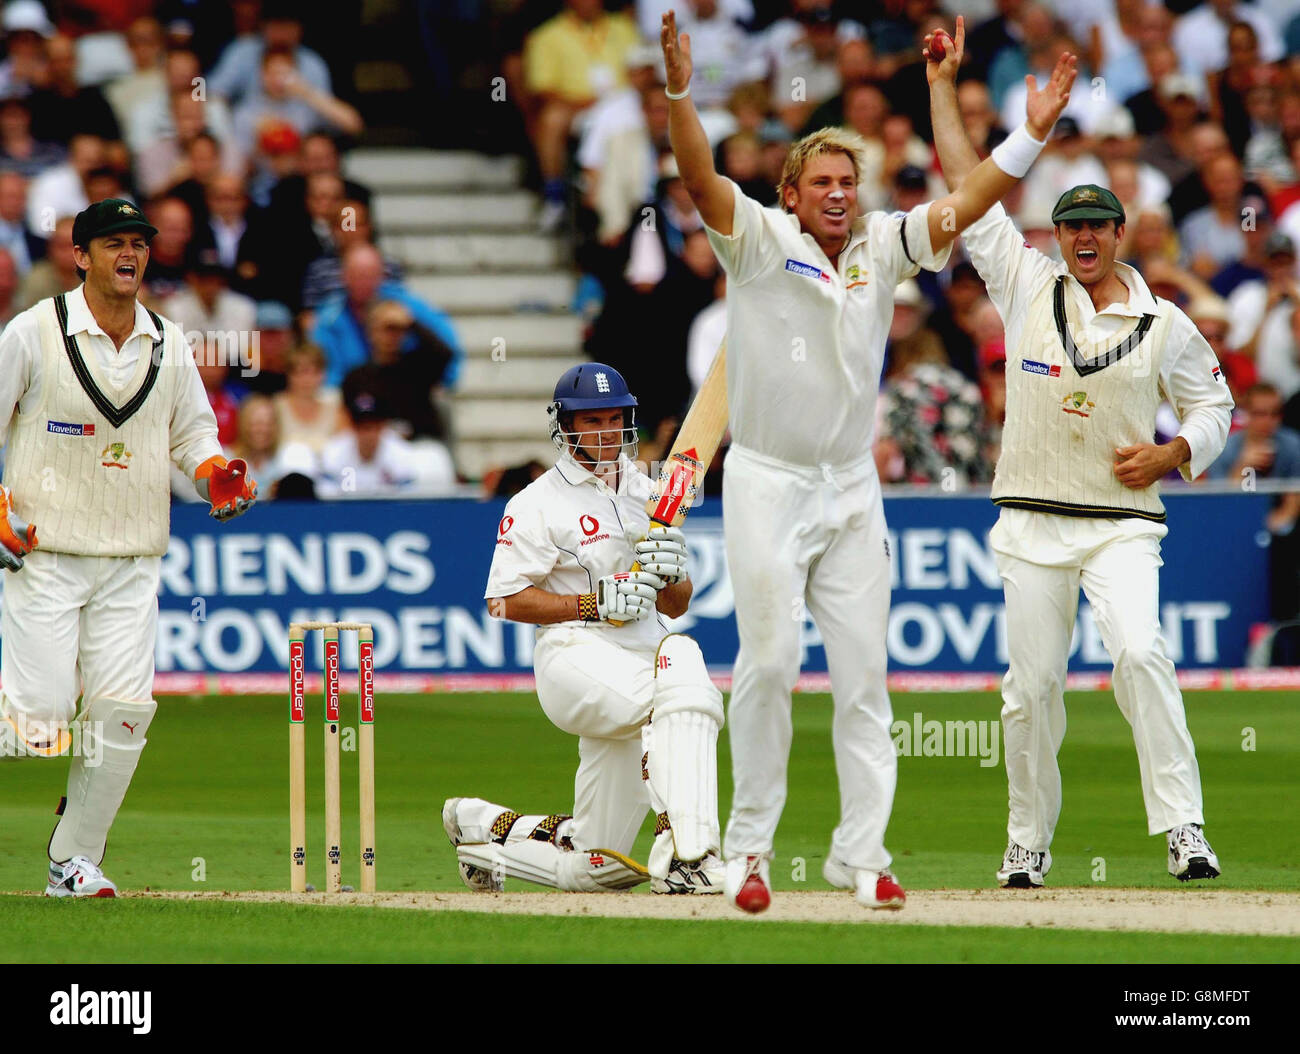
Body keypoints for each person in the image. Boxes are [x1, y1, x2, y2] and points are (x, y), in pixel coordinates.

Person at [660, 10, 1075, 913]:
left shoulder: (885, 245)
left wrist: (1031, 134)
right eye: (823, 181)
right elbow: (698, 177)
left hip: (852, 486)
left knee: (865, 678)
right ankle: (751, 853)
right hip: (766, 481)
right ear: (793, 192)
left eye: (850, 178)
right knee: (768, 664)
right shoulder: (760, 244)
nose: (841, 192)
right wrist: (683, 93)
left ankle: (865, 855)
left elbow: (968, 205)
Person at [928, 28, 1235, 888]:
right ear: (1059, 236)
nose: (1086, 239)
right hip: (1029, 521)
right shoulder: (1024, 284)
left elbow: (1217, 407)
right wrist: (944, 87)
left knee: (1142, 653)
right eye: (1073, 227)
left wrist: (1174, 450)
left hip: (1122, 526)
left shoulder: (1162, 321)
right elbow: (967, 185)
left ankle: (1185, 830)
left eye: (1099, 225)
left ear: (1120, 231)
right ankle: (1028, 842)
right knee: (1028, 694)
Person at [0, 198, 257, 897]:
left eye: (138, 243)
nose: (130, 253)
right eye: (113, 242)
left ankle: (72, 862)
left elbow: (193, 439)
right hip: (46, 553)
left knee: (121, 715)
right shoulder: (33, 333)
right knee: (37, 727)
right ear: (80, 255)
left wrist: (217, 478)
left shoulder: (170, 342)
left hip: (133, 557)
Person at [442, 362, 726, 895]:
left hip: (642, 653)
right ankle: (690, 855)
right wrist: (590, 604)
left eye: (613, 418)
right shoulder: (536, 502)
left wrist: (672, 570)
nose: (604, 430)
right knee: (683, 680)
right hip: (574, 656)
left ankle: (485, 835)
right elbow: (501, 602)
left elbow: (677, 603)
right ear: (565, 426)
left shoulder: (652, 492)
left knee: (594, 865)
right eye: (589, 420)